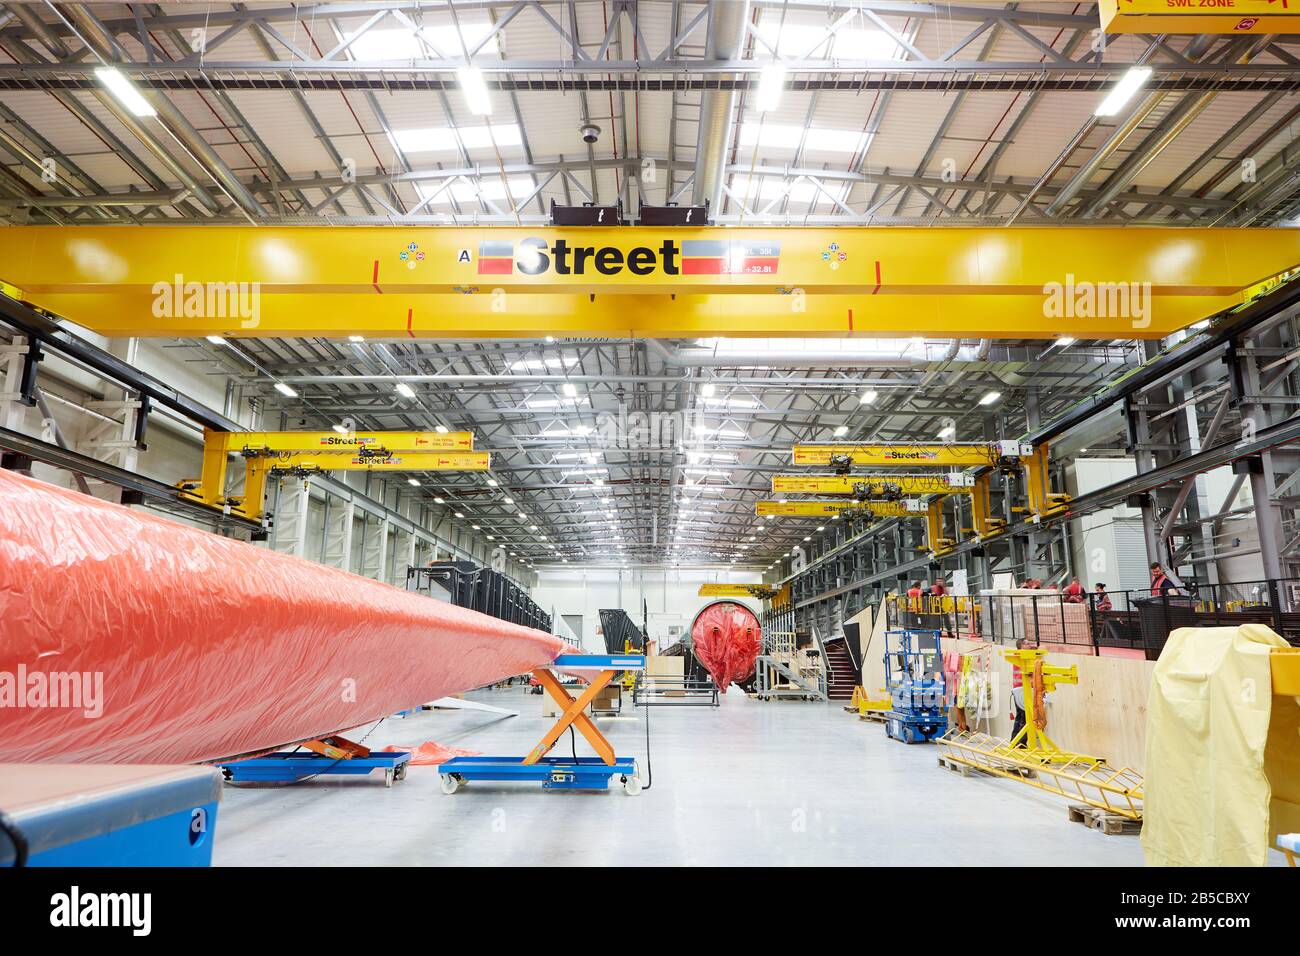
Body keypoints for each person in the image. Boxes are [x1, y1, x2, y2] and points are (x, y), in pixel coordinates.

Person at [1010, 637, 1030, 747]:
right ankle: (1021, 742)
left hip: (1019, 690)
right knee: (1025, 717)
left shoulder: (1016, 656)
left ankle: (1014, 740)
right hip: (1023, 691)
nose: (1030, 646)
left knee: (1019, 716)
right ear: (1021, 646)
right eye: (1027, 644)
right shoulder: (1022, 656)